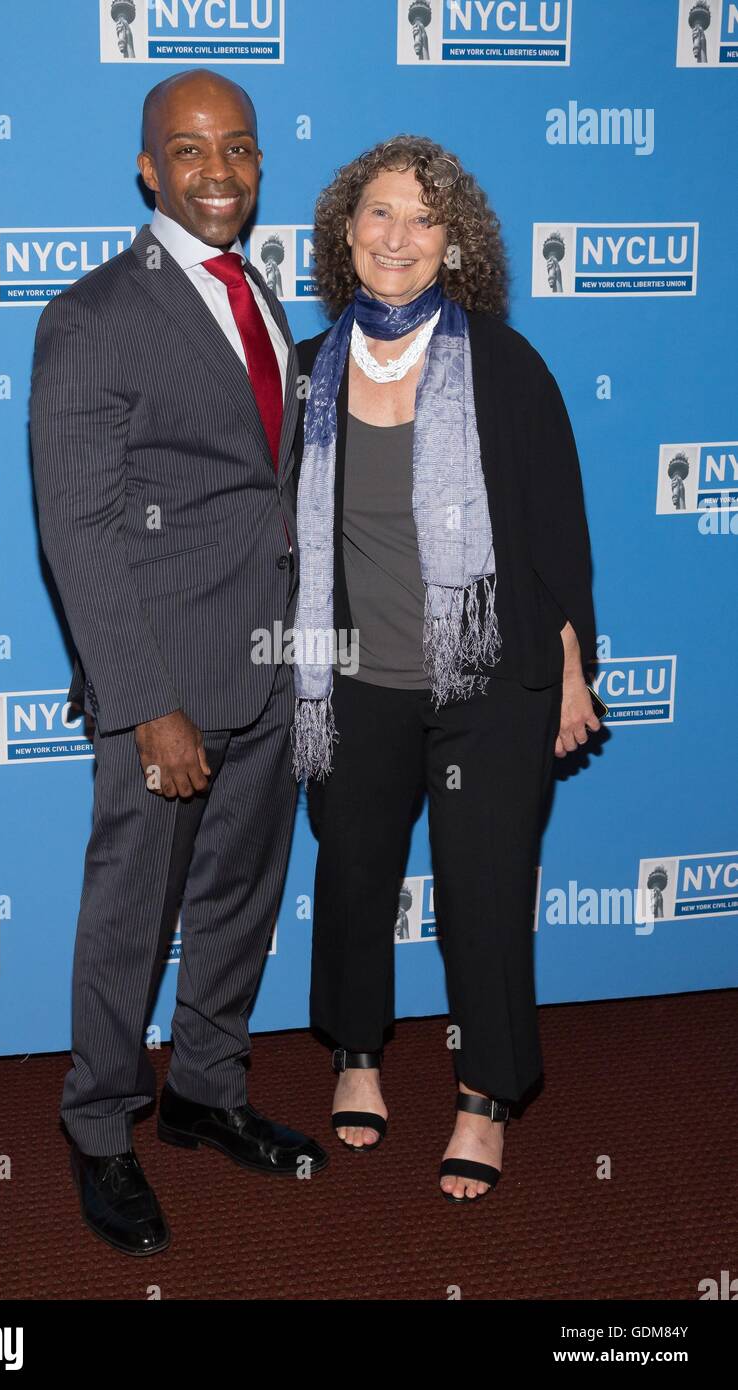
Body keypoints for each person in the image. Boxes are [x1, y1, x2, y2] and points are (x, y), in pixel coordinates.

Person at [29, 69, 327, 1258]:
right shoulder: (93, 316)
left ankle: (204, 1089)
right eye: (189, 150)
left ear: (261, 165)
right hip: (162, 681)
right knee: (128, 917)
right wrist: (146, 703)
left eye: (240, 148)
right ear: (148, 168)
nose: (219, 171)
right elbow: (79, 530)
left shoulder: (258, 289)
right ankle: (99, 1129)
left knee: (239, 902)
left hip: (268, 663)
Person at [291, 135, 600, 1202]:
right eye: (379, 213)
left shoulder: (504, 368)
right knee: (353, 874)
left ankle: (484, 1096)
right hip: (354, 683)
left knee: (480, 892)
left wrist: (571, 667)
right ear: (344, 230)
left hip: (489, 684)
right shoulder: (303, 376)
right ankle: (357, 1054)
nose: (398, 237)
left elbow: (554, 531)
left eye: (424, 219)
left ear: (453, 243)